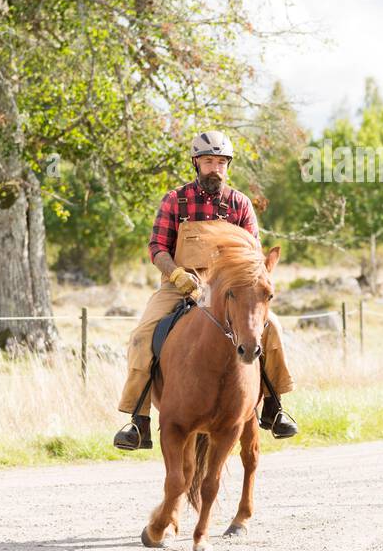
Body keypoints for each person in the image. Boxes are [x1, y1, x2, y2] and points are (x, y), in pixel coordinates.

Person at [114, 131, 299, 450]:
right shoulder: (175, 200)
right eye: (208, 161)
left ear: (228, 166)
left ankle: (274, 405)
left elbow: (255, 255)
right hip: (181, 286)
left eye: (221, 162)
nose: (215, 168)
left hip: (229, 291)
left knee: (273, 330)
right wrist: (175, 274)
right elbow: (157, 246)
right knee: (142, 335)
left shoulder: (240, 204)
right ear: (196, 163)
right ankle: (138, 419)